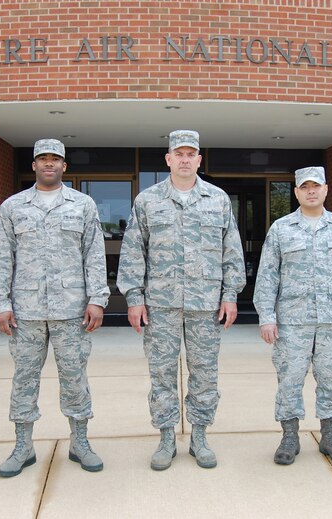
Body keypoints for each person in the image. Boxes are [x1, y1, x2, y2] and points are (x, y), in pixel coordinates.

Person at [117, 130, 246, 471]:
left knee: (204, 373)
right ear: (169, 159)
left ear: (199, 160)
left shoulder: (218, 200)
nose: (186, 159)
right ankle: (166, 438)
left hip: (205, 305)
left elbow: (231, 251)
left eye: (192, 154)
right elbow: (133, 252)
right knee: (161, 374)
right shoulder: (147, 201)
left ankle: (200, 436)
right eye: (180, 153)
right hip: (161, 305)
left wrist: (230, 294)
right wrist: (134, 297)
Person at [0, 138, 109, 476]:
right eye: (43, 159)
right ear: (34, 165)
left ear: (64, 167)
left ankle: (80, 442)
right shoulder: (12, 207)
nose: (49, 164)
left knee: (74, 378)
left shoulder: (83, 205)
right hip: (25, 313)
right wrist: (0, 304)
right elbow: (0, 258)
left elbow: (94, 255)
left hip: (71, 311)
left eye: (56, 159)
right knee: (24, 378)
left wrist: (97, 299)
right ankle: (23, 446)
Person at [253, 166, 332, 466]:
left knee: (331, 379)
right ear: (296, 193)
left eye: (315, 186)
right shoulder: (281, 229)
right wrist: (266, 316)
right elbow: (267, 276)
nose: (311, 191)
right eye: (304, 187)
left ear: (326, 189)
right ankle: (289, 437)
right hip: (292, 322)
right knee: (289, 380)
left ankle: (330, 436)